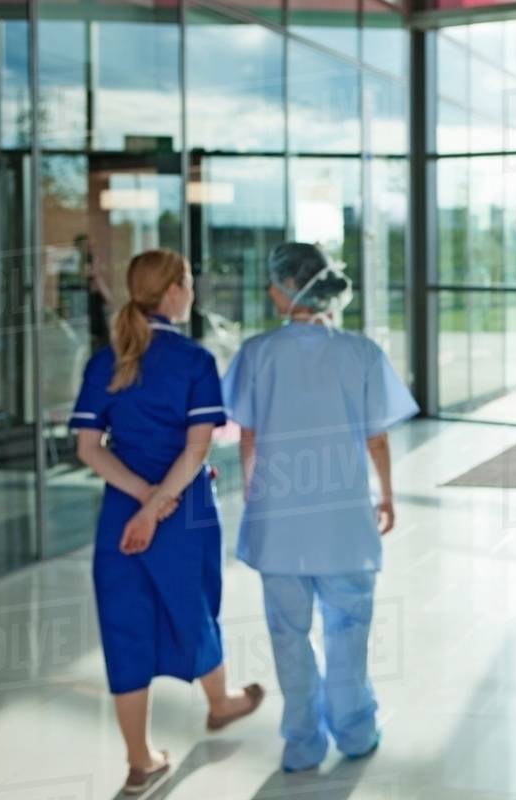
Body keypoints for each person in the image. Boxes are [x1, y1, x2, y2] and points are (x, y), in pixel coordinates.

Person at [71, 248, 264, 796]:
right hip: (185, 510)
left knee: (124, 623)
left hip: (121, 512)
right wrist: (159, 505)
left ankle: (140, 761)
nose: (193, 292)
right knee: (194, 605)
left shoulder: (105, 359)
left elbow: (88, 447)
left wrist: (139, 499)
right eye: (190, 283)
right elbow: (198, 449)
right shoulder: (194, 360)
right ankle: (221, 702)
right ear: (175, 290)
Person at [221, 242, 418, 773]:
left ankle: (302, 742)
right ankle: (355, 733)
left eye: (273, 282)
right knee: (347, 630)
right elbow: (376, 437)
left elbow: (249, 436)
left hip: (279, 527)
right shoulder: (360, 354)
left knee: (288, 636)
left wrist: (254, 491)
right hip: (344, 526)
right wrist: (388, 494)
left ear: (291, 289)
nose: (269, 291)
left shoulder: (257, 352)